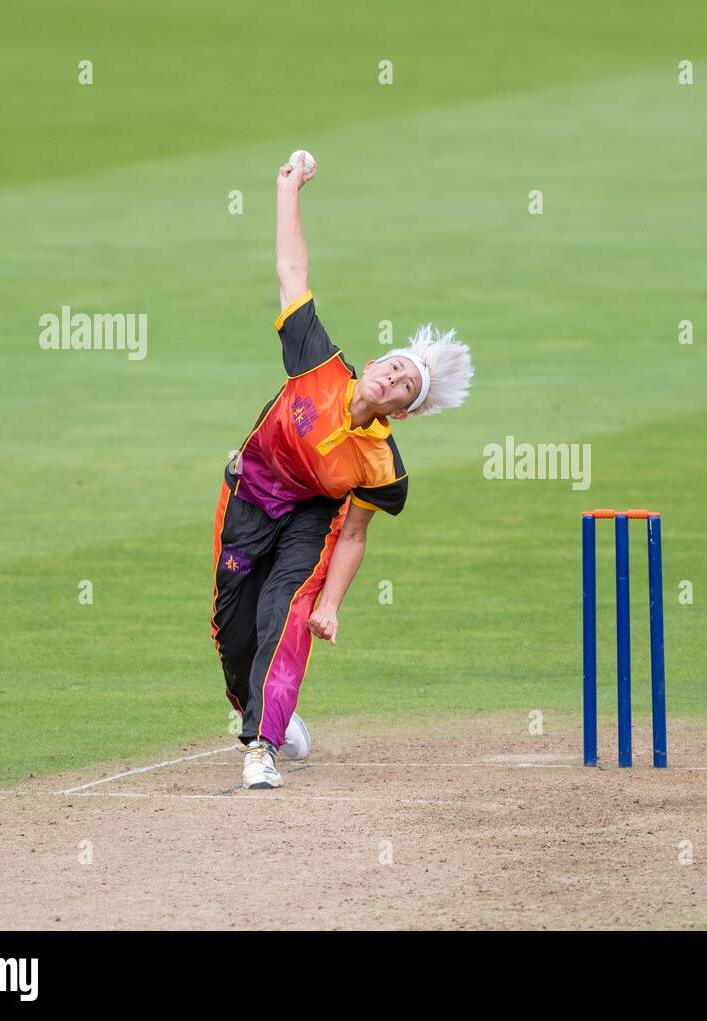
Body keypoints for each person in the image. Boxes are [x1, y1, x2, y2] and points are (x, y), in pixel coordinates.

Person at [210, 154, 474, 790]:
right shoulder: (316, 362)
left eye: (404, 381)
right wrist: (285, 189)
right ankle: (267, 715)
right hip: (248, 496)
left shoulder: (382, 465)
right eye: (393, 362)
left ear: (403, 409)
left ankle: (262, 748)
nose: (390, 372)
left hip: (310, 520)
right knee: (232, 631)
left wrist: (330, 604)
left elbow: (353, 537)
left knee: (285, 616)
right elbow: (291, 270)